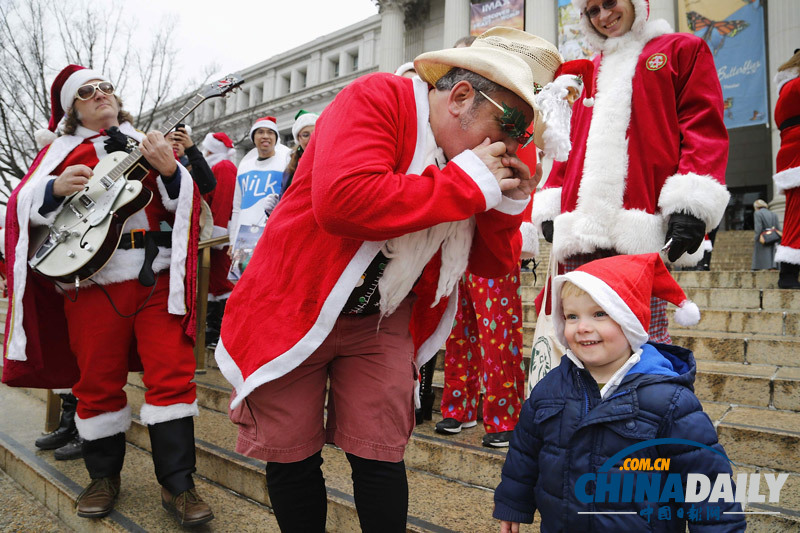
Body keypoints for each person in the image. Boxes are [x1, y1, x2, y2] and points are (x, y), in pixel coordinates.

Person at [215, 27, 568, 531]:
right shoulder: (377, 96)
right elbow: (343, 200)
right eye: (509, 124)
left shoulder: (472, 156)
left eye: (524, 134)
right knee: (291, 454)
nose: (511, 145)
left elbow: (492, 265)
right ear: (460, 97)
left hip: (383, 314)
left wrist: (505, 205)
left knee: (380, 452)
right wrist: (466, 184)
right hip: (298, 299)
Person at [2, 64, 212, 526]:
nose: (100, 94)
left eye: (106, 87)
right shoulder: (58, 153)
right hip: (90, 282)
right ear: (72, 109)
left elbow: (191, 206)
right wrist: (53, 189)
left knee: (172, 374)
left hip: (154, 274)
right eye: (87, 92)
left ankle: (179, 485)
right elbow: (18, 209)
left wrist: (170, 172)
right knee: (96, 381)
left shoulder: (148, 142)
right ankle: (103, 478)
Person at [493, 253, 746, 532]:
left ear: (629, 321)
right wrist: (513, 502)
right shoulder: (552, 387)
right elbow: (525, 451)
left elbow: (708, 485)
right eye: (572, 316)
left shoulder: (669, 400)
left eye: (599, 314)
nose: (583, 327)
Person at [531, 0, 730, 343]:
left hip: (639, 227)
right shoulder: (588, 71)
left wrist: (690, 205)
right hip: (580, 231)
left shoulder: (682, 49)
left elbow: (702, 127)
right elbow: (571, 144)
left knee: (641, 340)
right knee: (582, 341)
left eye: (610, 3)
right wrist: (554, 200)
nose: (604, 16)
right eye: (593, 10)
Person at [229, 116, 291, 249]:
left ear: (276, 137)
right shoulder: (244, 165)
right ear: (253, 137)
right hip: (244, 239)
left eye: (270, 132)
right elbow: (237, 207)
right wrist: (232, 240)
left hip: (273, 234)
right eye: (260, 132)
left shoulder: (286, 162)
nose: (265, 136)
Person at [199, 131, 238, 347]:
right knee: (213, 283)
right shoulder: (214, 166)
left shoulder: (223, 167)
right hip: (210, 231)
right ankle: (213, 329)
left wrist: (218, 231)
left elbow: (224, 199)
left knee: (222, 282)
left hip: (218, 234)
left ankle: (223, 332)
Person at [773, 48, 800, 289]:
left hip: (790, 155)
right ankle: (788, 274)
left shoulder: (786, 90)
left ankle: (789, 272)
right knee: (796, 215)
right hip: (797, 154)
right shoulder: (795, 87)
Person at [166, 124, 217, 195]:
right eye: (172, 139)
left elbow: (207, 185)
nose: (176, 143)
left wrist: (191, 149)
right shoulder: (155, 165)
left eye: (179, 139)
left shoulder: (191, 167)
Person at [281, 109, 318, 198]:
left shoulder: (332, 160)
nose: (311, 139)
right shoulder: (291, 169)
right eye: (306, 135)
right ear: (298, 139)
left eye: (315, 133)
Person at [752, 199, 780, 270]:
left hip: (764, 236)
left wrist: (756, 238)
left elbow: (758, 228)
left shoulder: (757, 213)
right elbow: (778, 228)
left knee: (762, 253)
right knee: (772, 252)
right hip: (773, 236)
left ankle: (758, 267)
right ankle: (772, 267)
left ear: (756, 206)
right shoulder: (773, 214)